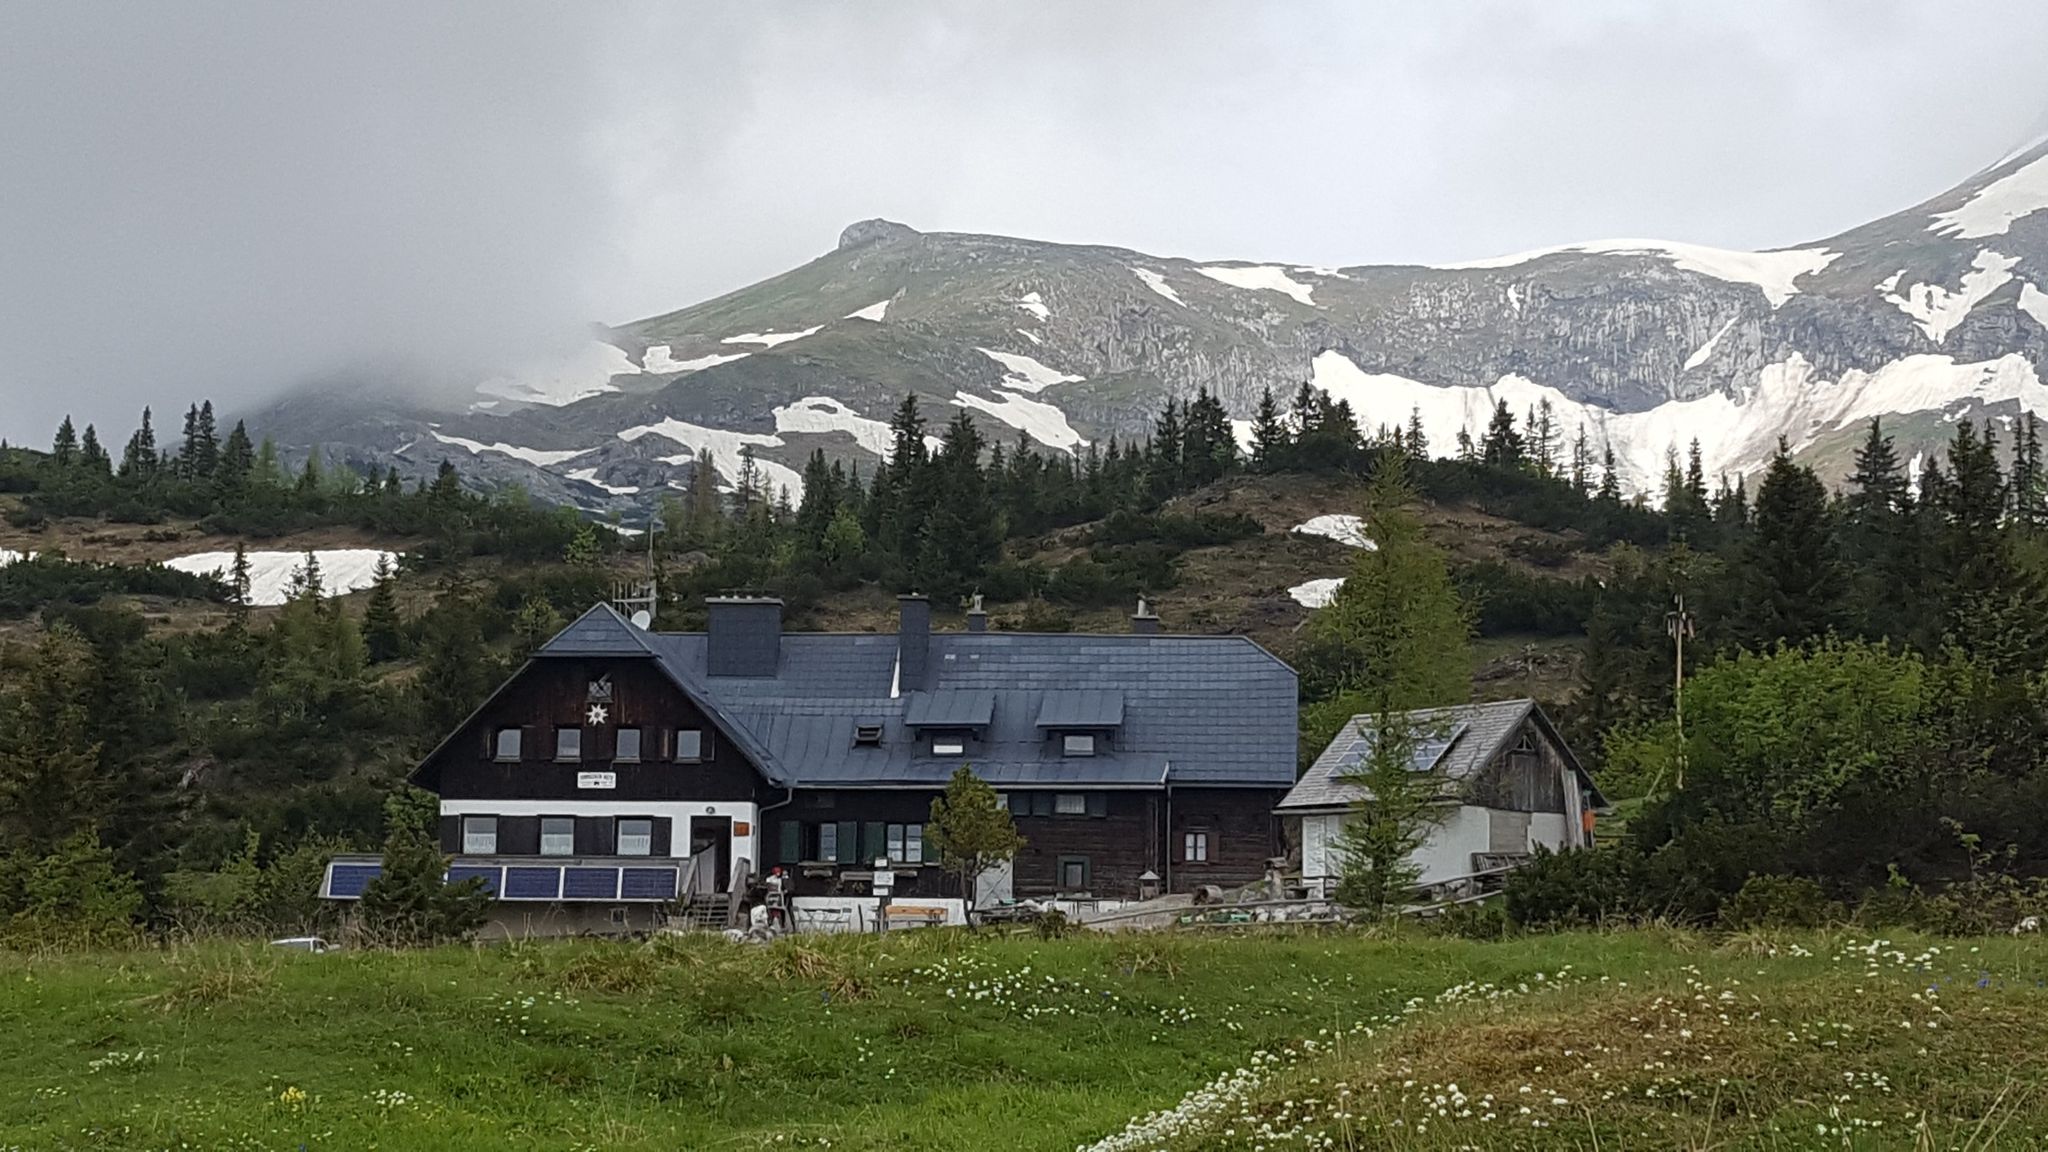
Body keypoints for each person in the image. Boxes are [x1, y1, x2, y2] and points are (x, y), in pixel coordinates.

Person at [765, 866, 789, 931]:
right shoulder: (769, 879)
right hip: (771, 897)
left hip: (778, 897)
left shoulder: (779, 880)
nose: (778, 874)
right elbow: (768, 887)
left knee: (778, 911)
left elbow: (779, 888)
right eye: (777, 872)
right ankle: (770, 924)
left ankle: (780, 925)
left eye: (779, 872)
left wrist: (781, 892)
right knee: (770, 911)